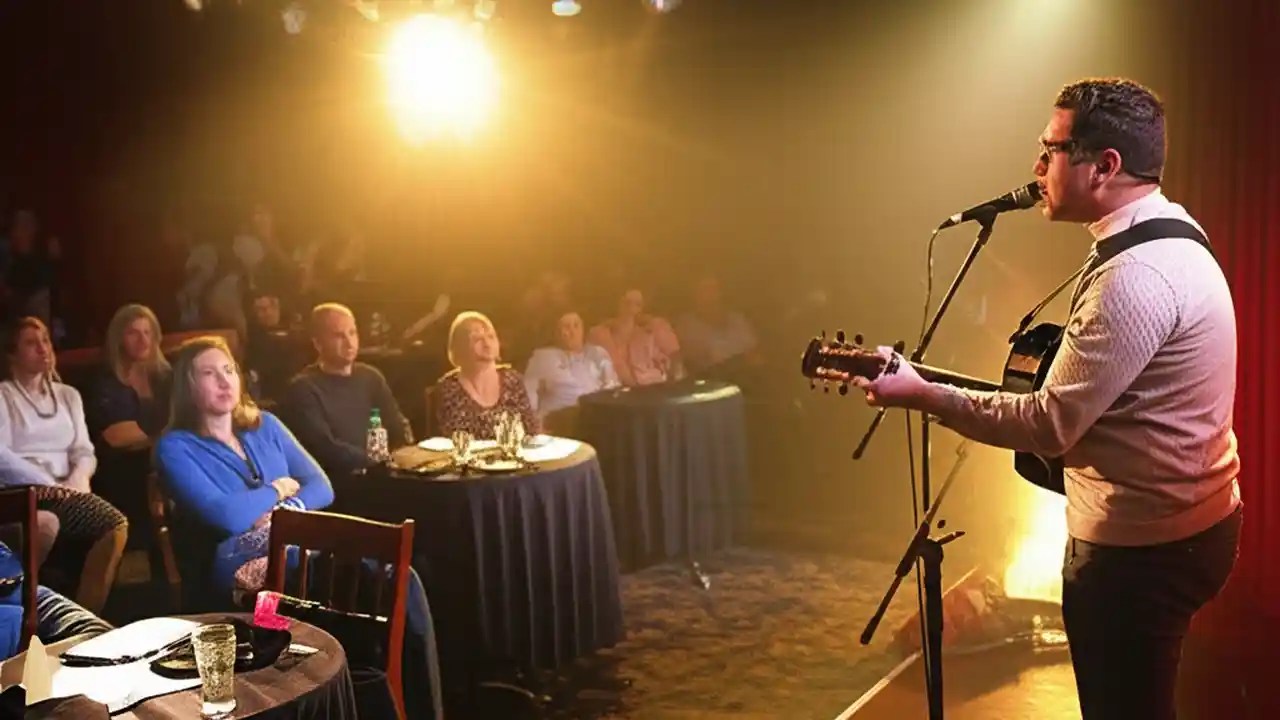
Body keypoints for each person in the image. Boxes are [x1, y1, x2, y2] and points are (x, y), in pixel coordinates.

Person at [850, 78, 1240, 720]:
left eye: (1051, 149)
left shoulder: (1133, 276)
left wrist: (923, 395)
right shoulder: (1162, 230)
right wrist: (929, 385)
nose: (1036, 167)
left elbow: (1049, 426)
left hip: (1142, 549)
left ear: (1105, 165)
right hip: (1190, 524)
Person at [156, 335, 442, 718]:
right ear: (187, 387)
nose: (225, 382)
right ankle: (339, 691)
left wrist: (282, 510)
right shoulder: (175, 446)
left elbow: (321, 485)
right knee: (326, 596)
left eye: (229, 370)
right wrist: (277, 487)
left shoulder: (266, 426)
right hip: (237, 579)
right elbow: (226, 517)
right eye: (209, 374)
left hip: (304, 548)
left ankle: (418, 707)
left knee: (401, 577)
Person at [0, 318, 128, 614]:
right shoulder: (5, 395)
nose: (43, 348)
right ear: (12, 354)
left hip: (66, 489)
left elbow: (84, 450)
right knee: (104, 522)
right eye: (31, 343)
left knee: (112, 524)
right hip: (22, 489)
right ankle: (26, 607)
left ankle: (83, 615)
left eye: (45, 339)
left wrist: (78, 480)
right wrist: (48, 483)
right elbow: (2, 455)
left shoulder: (68, 395)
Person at [281, 304, 411, 476]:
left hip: (384, 475)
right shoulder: (303, 389)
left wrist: (406, 454)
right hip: (339, 483)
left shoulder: (371, 377)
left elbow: (396, 425)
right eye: (339, 336)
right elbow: (325, 448)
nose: (350, 342)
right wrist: (379, 461)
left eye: (352, 333)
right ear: (318, 344)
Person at [435, 312, 539, 439]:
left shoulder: (513, 380)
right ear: (460, 346)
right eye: (477, 339)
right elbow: (454, 440)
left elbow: (531, 430)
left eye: (491, 337)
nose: (487, 344)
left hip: (515, 456)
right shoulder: (449, 388)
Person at [525, 310, 618, 434]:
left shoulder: (597, 353)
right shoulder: (543, 357)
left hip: (595, 418)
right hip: (559, 421)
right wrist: (533, 424)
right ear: (556, 332)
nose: (573, 331)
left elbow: (613, 386)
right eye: (566, 327)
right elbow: (528, 393)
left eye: (576, 325)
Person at [588, 289, 682, 386]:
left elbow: (675, 358)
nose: (631, 308)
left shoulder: (652, 331)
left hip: (651, 390)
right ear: (617, 303)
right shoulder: (600, 334)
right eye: (627, 303)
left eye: (637, 304)